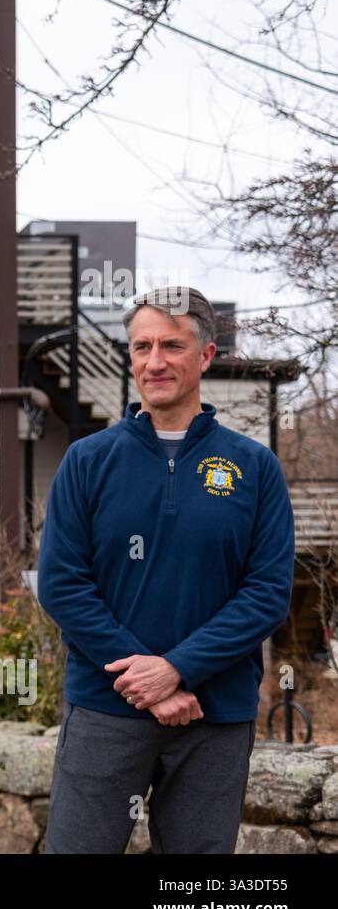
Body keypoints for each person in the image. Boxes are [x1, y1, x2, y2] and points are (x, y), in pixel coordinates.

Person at [38, 286, 294, 853]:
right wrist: (148, 684)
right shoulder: (88, 460)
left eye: (172, 346)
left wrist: (177, 668)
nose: (155, 362)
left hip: (213, 712)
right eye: (141, 347)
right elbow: (62, 585)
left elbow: (267, 595)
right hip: (106, 706)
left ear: (204, 356)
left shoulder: (254, 467)